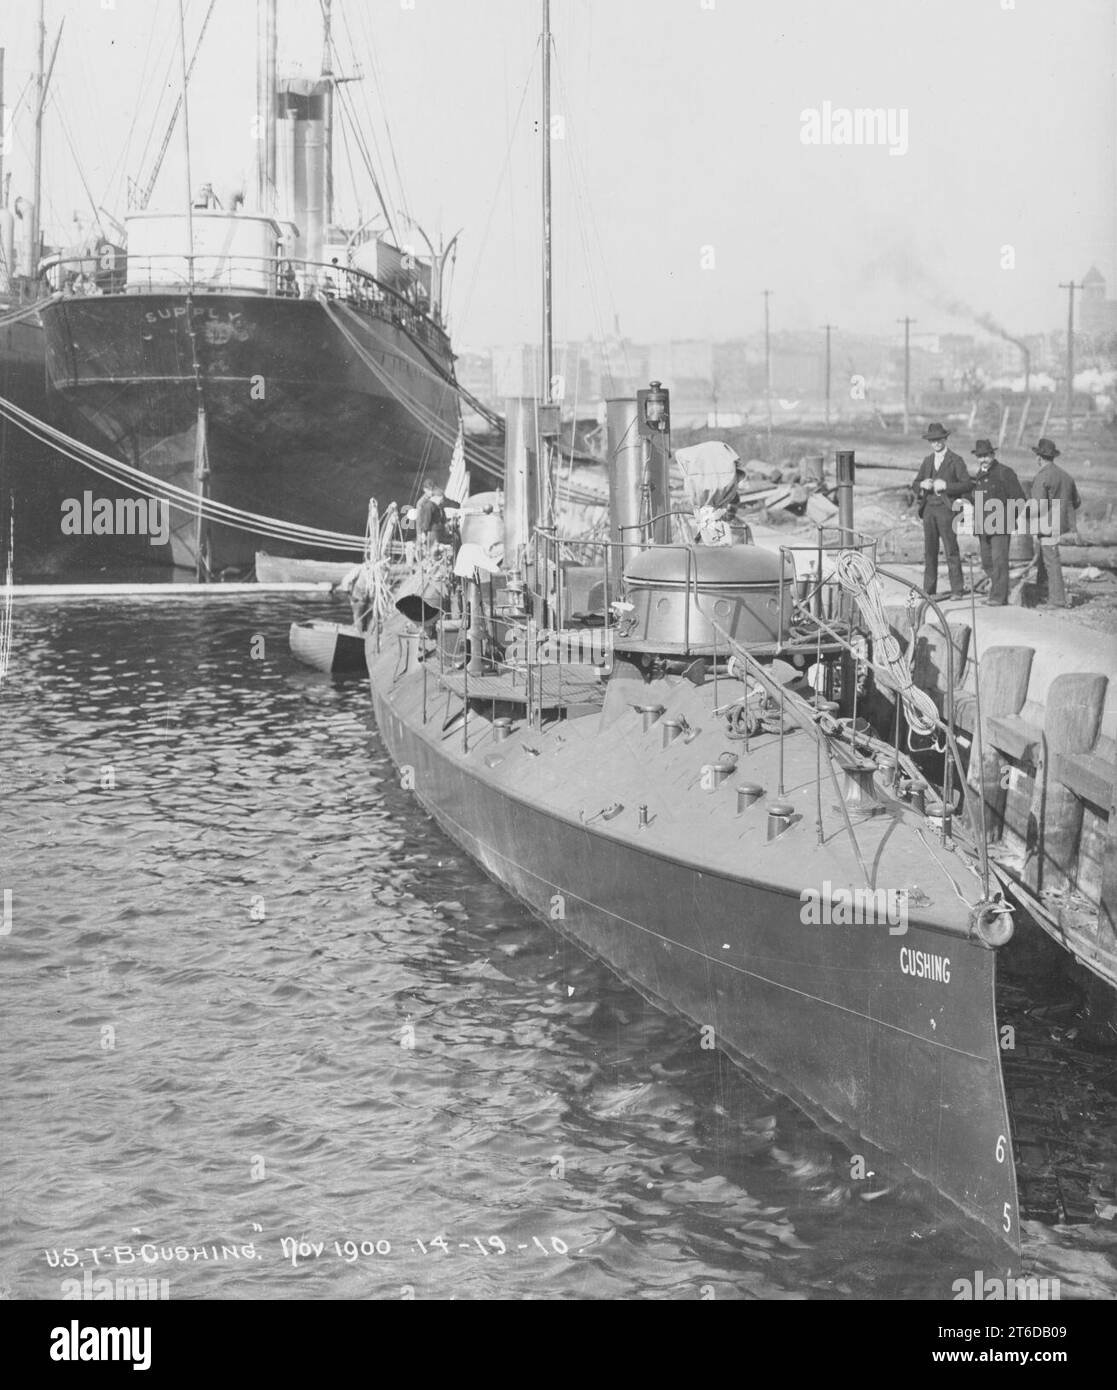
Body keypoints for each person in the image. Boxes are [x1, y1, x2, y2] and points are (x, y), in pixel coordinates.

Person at [911, 423, 972, 598]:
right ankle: (929, 591)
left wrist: (947, 486)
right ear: (929, 442)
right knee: (929, 551)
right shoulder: (928, 460)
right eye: (932, 440)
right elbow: (915, 483)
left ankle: (957, 590)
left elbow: (967, 484)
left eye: (939, 439)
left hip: (946, 510)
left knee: (951, 549)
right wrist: (922, 485)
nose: (936, 443)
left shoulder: (956, 460)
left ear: (945, 439)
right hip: (929, 509)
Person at [970, 439, 1025, 606]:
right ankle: (999, 589)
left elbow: (1020, 499)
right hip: (983, 526)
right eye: (980, 456)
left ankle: (998, 597)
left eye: (986, 455)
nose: (983, 459)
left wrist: (1007, 519)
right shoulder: (979, 475)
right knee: (987, 562)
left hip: (1000, 525)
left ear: (993, 454)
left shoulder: (1005, 472)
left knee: (999, 560)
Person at [1030, 437, 1080, 608]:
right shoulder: (1066, 476)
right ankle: (1045, 593)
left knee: (1051, 561)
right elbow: (1077, 501)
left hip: (1048, 525)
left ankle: (1057, 600)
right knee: (1047, 559)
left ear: (1038, 458)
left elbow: (1037, 506)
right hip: (1062, 525)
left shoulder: (1042, 477)